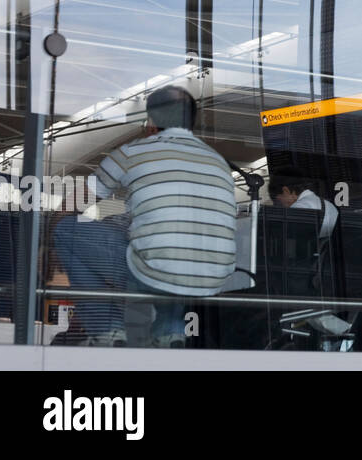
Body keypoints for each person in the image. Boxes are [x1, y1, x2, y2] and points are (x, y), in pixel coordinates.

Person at [53, 86, 236, 347]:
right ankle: (171, 334)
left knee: (66, 230)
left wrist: (48, 245)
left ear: (151, 121)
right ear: (193, 121)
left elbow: (73, 205)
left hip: (152, 274)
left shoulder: (132, 153)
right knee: (178, 254)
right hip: (212, 279)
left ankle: (108, 332)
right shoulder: (218, 162)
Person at [268, 173, 337, 240]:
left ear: (286, 191)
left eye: (277, 201)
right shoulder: (330, 206)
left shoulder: (298, 208)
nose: (278, 205)